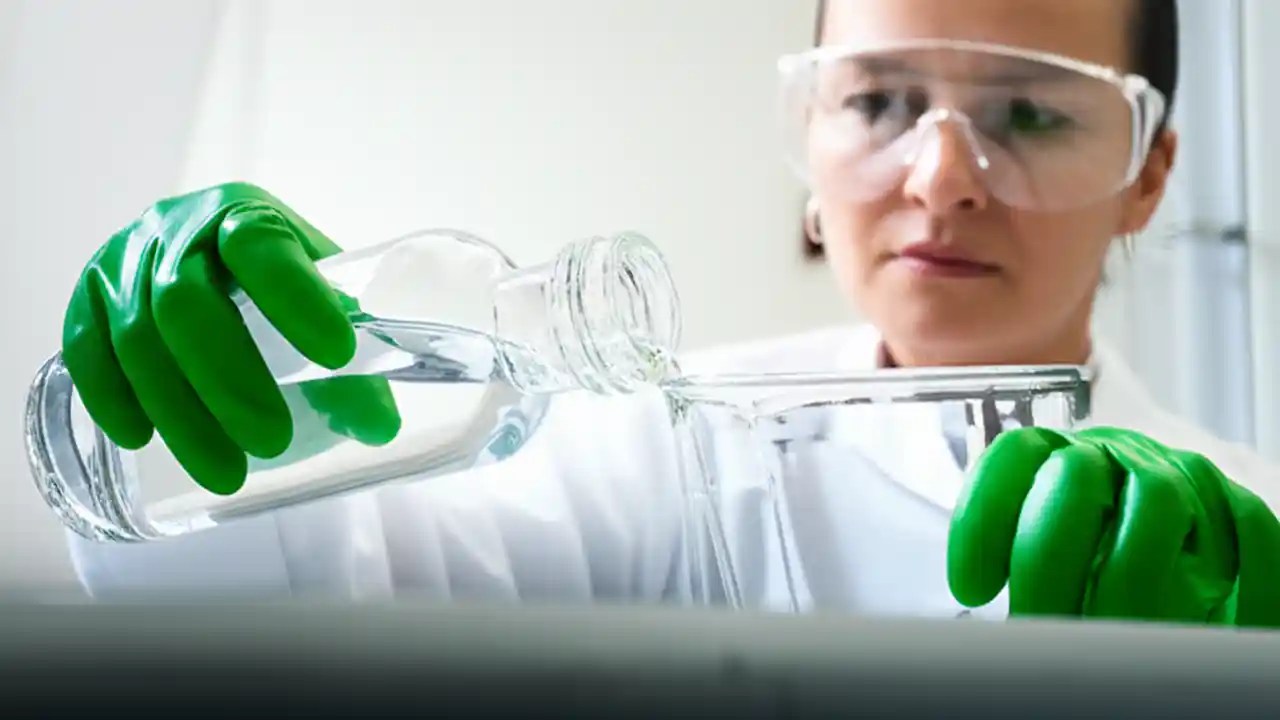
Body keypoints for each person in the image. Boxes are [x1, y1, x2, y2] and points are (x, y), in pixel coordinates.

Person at [60, 0, 1280, 626]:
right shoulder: (652, 447)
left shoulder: (1249, 540)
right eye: (877, 104)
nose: (938, 175)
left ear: (1148, 174)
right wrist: (233, 404)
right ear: (807, 142)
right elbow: (317, 642)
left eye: (1027, 114)